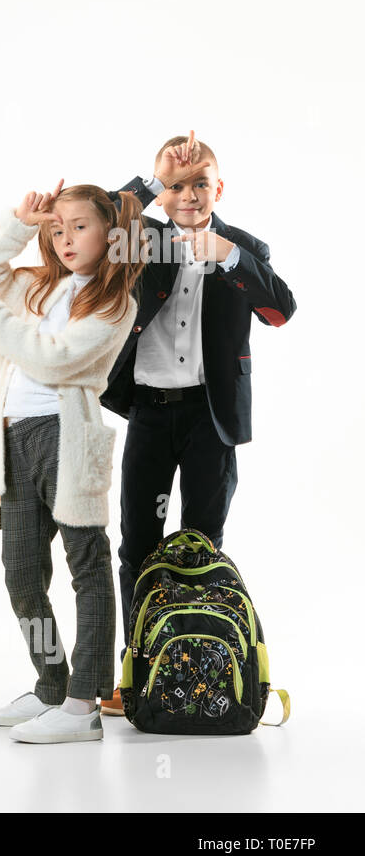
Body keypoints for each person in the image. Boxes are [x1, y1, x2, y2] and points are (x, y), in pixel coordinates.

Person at [98, 131, 296, 716]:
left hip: (212, 417)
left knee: (203, 543)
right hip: (151, 412)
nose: (188, 195)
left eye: (199, 183)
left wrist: (227, 257)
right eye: (176, 185)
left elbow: (280, 310)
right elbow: (91, 222)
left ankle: (197, 668)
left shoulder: (243, 245)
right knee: (138, 543)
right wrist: (152, 185)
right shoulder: (138, 241)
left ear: (220, 187)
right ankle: (137, 668)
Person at [0, 182, 145, 743]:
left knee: (87, 565)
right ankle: (52, 684)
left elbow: (52, 360)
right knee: (21, 574)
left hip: (66, 435)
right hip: (12, 439)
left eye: (79, 226)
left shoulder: (113, 303)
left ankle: (84, 702)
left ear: (110, 233)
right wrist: (17, 222)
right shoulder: (38, 287)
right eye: (56, 230)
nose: (65, 238)